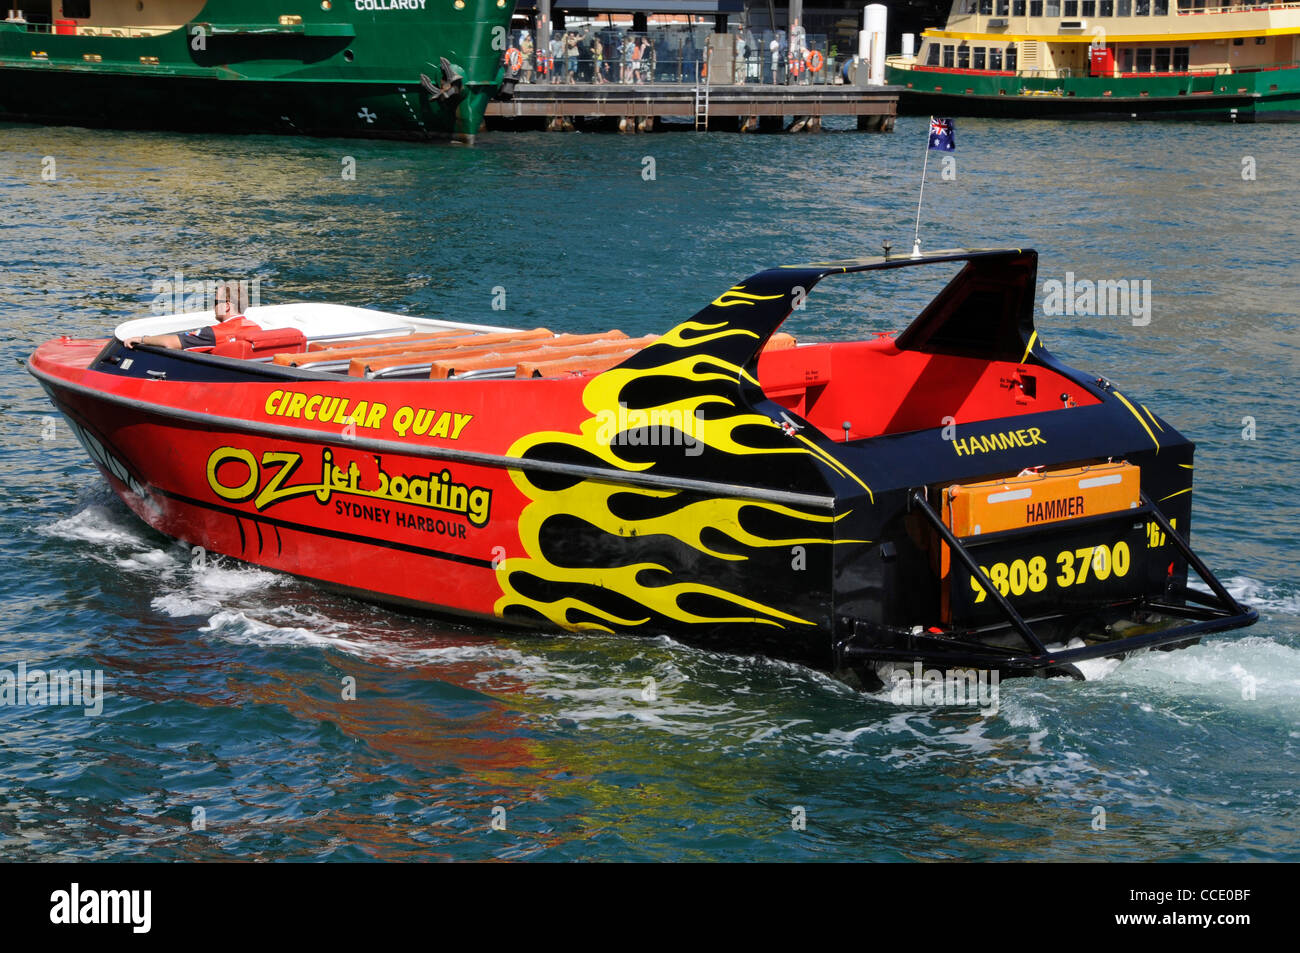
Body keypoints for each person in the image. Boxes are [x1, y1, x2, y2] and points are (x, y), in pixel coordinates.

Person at [125, 281, 251, 350]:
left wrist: (142, 339)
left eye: (216, 302)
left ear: (227, 306)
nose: (213, 307)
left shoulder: (212, 333)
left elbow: (170, 343)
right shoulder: (255, 329)